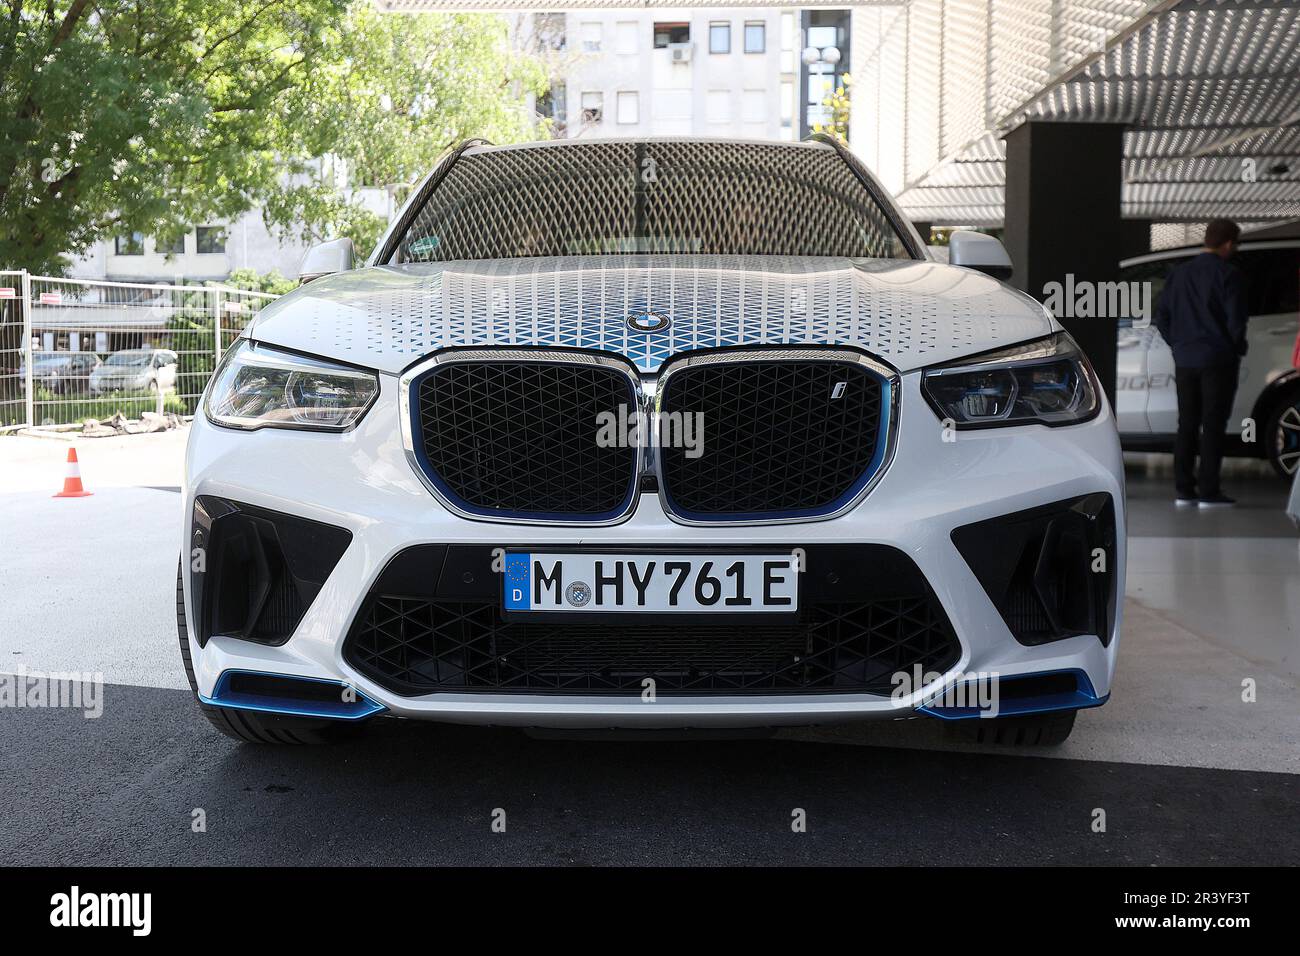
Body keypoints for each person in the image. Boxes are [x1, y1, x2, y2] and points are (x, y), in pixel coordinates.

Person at [1154, 218, 1249, 508]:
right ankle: (1209, 491)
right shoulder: (1229, 275)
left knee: (1187, 423)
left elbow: (1162, 317)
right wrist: (1235, 347)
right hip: (1218, 359)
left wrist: (1178, 345)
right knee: (1213, 424)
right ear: (1229, 243)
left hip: (1185, 359)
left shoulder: (1179, 274)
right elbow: (1236, 321)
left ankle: (1184, 490)